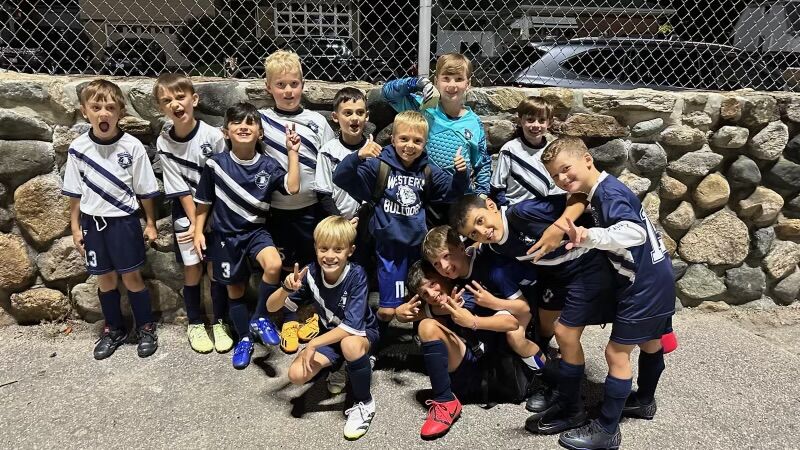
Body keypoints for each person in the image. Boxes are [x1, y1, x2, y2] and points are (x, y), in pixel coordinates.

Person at [541, 136, 675, 450]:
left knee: (615, 353)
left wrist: (590, 235)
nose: (562, 178)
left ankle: (607, 431)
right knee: (650, 341)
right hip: (656, 275)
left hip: (643, 284)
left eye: (566, 169)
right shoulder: (602, 190)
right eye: (555, 175)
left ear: (588, 159)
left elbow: (633, 232)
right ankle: (644, 401)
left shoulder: (609, 193)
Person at [450, 194, 617, 431]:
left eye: (480, 221)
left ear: (491, 205)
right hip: (553, 276)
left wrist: (559, 227)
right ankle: (555, 384)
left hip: (583, 266)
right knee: (544, 330)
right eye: (473, 233)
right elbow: (479, 248)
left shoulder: (523, 212)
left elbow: (580, 198)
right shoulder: (493, 246)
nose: (482, 232)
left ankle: (572, 407)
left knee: (565, 334)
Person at [332, 110, 468, 347]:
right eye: (404, 139)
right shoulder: (379, 166)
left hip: (419, 250)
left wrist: (461, 174)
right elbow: (341, 178)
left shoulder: (428, 170)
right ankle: (373, 344)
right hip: (390, 251)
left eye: (417, 141)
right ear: (393, 139)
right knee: (387, 310)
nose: (410, 145)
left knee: (422, 300)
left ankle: (424, 341)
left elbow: (452, 194)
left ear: (425, 143)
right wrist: (358, 156)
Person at [193, 102, 300, 370]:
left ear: (260, 133)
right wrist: (197, 232)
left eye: (250, 122)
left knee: (274, 264)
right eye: (237, 123)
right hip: (226, 236)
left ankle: (261, 317)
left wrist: (292, 152)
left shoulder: (268, 165)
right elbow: (203, 203)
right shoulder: (215, 165)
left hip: (256, 232)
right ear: (225, 132)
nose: (243, 127)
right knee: (235, 289)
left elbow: (293, 187)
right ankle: (244, 338)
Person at [61, 79, 161, 360]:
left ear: (120, 112)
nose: (103, 113)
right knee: (104, 279)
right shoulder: (78, 148)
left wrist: (151, 223)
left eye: (110, 108)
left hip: (123, 222)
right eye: (96, 107)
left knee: (131, 276)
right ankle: (114, 329)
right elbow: (74, 193)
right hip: (93, 223)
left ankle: (146, 327)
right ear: (85, 112)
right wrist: (75, 227)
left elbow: (144, 190)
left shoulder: (132, 147)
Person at [267, 216, 379, 441]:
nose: (329, 255)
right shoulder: (310, 274)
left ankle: (364, 403)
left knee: (350, 345)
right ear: (315, 248)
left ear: (350, 250)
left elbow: (351, 327)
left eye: (338, 249)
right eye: (324, 248)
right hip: (329, 334)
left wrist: (313, 344)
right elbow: (271, 307)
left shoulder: (356, 275)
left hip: (361, 333)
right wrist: (286, 289)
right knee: (296, 375)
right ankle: (343, 366)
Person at [259, 50, 337, 354]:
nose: (288, 91)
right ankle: (288, 318)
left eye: (294, 84)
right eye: (281, 85)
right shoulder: (262, 120)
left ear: (303, 85)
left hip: (310, 208)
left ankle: (308, 312)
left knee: (310, 265)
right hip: (276, 210)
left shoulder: (316, 121)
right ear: (268, 87)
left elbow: (329, 161)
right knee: (283, 267)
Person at [153, 73, 232, 354]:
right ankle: (196, 323)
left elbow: (223, 177)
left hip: (217, 210)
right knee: (192, 267)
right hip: (187, 213)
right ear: (161, 108)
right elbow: (180, 189)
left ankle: (220, 321)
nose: (175, 104)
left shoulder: (213, 136)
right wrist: (197, 226)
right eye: (167, 101)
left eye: (180, 97)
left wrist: (207, 222)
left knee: (215, 268)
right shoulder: (164, 142)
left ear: (194, 99)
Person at [398, 260, 518, 440]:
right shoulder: (434, 306)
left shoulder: (470, 293)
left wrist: (474, 322)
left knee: (427, 327)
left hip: (486, 373)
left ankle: (445, 402)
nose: (432, 294)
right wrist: (399, 314)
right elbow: (421, 312)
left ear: (444, 277)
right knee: (427, 325)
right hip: (460, 376)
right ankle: (446, 397)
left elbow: (512, 323)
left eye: (433, 284)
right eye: (425, 293)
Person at [382, 53, 490, 224]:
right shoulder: (423, 107)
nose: (452, 85)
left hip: (457, 198)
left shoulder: (474, 123)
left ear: (468, 83)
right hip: (421, 194)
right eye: (446, 78)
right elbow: (388, 93)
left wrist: (482, 195)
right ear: (436, 81)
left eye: (459, 79)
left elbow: (482, 163)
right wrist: (417, 83)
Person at [421, 225, 544, 371]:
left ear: (461, 247)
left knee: (515, 338)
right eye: (436, 264)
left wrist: (492, 304)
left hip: (525, 298)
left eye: (446, 256)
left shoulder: (493, 270)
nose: (444, 266)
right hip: (500, 302)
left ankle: (546, 371)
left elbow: (524, 308)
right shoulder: (456, 273)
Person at [490, 96, 557, 205]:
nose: (536, 125)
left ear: (549, 123)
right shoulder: (510, 149)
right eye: (530, 120)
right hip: (516, 208)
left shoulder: (553, 150)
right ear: (520, 121)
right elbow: (497, 186)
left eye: (542, 120)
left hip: (545, 207)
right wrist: (505, 208)